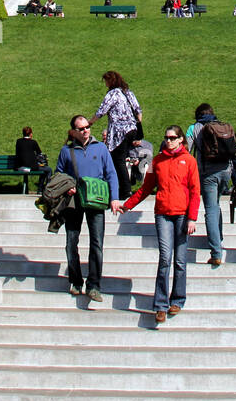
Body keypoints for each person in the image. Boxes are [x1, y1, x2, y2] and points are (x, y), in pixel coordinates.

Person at [116, 124, 200, 324]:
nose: (168, 141)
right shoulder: (157, 161)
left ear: (181, 139)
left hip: (182, 214)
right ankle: (160, 304)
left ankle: (177, 300)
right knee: (165, 258)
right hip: (163, 214)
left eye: (172, 137)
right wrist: (127, 205)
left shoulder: (189, 161)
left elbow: (195, 191)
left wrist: (192, 218)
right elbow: (145, 188)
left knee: (180, 261)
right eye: (167, 137)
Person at [54, 116, 118, 301]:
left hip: (96, 200)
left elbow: (111, 173)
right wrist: (68, 187)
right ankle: (75, 280)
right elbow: (59, 175)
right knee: (71, 243)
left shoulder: (101, 148)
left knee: (96, 243)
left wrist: (114, 198)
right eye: (81, 128)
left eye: (87, 127)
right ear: (74, 131)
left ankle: (94, 285)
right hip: (74, 201)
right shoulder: (67, 151)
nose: (85, 130)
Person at [188, 103, 236, 267]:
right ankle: (219, 238)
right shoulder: (222, 126)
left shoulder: (194, 128)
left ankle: (216, 252)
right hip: (226, 171)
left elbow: (187, 150)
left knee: (210, 209)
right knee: (216, 204)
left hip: (208, 172)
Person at [87, 71, 142, 201]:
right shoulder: (128, 92)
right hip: (132, 129)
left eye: (106, 81)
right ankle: (124, 187)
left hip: (119, 131)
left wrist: (90, 122)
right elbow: (138, 110)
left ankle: (124, 189)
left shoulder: (113, 94)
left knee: (117, 160)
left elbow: (102, 110)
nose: (105, 84)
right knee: (121, 158)